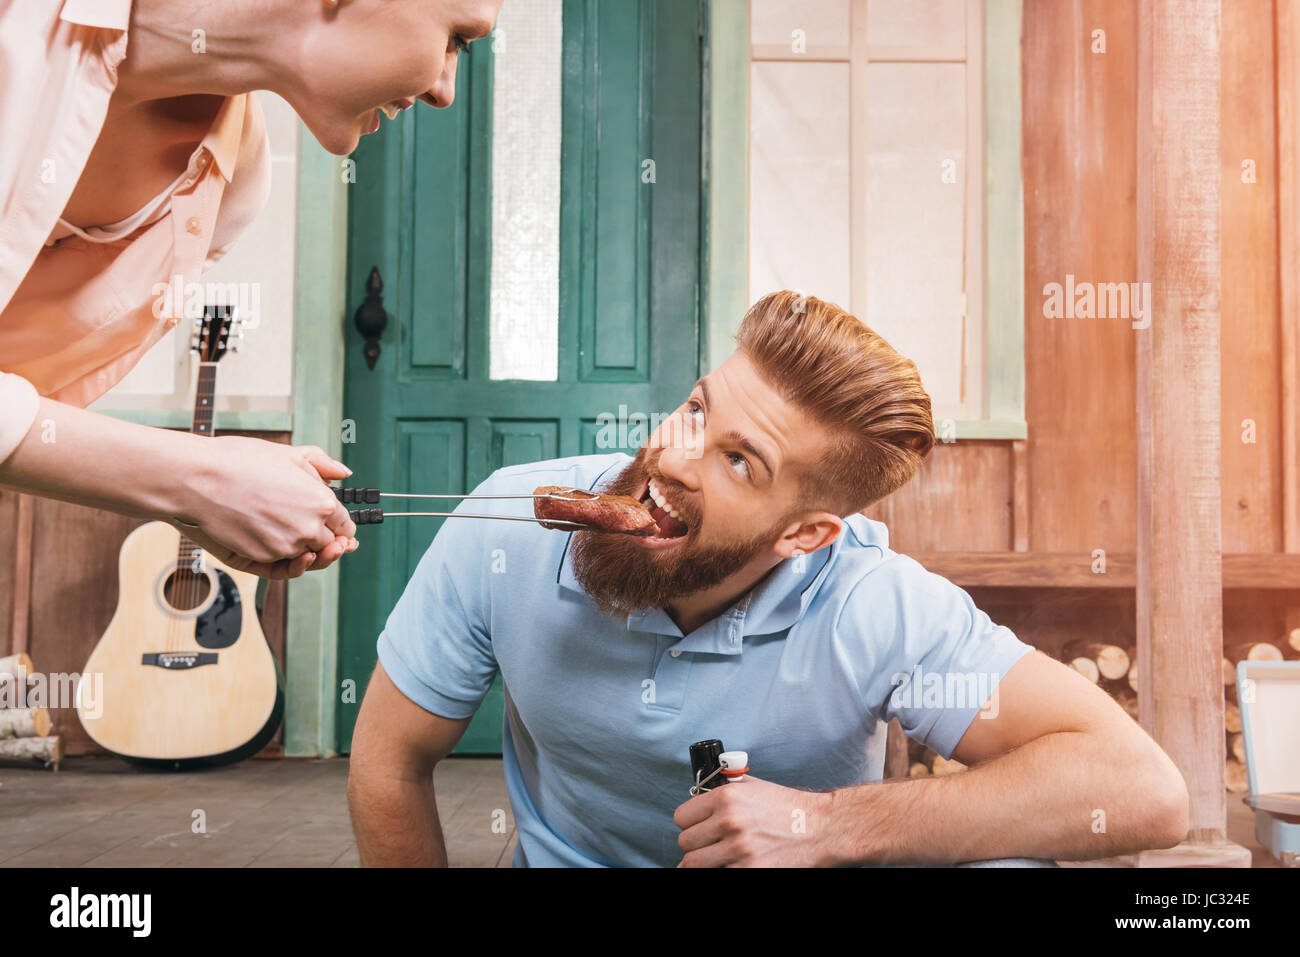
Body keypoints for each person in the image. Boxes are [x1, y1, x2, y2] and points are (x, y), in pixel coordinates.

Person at [346, 291, 1190, 867]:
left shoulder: (874, 602)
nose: (672, 454)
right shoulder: (507, 531)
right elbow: (388, 760)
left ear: (808, 533)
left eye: (739, 461)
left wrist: (823, 824)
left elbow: (1141, 787)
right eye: (699, 408)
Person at [0, 0, 503, 578]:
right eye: (457, 40)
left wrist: (203, 502)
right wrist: (198, 479)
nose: (447, 90)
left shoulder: (233, 183)